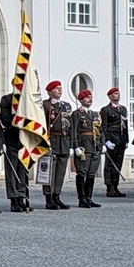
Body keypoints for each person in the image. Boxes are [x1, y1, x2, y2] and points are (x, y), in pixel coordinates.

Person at [41, 80, 73, 209]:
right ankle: (49, 198)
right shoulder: (45, 105)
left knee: (60, 171)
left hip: (64, 141)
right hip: (51, 140)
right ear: (50, 91)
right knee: (49, 171)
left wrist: (71, 144)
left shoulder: (66, 106)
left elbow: (71, 126)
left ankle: (57, 195)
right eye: (56, 88)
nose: (60, 90)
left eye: (60, 88)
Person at [69, 90, 102, 207]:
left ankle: (89, 197)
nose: (90, 99)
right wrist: (75, 146)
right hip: (83, 146)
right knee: (82, 172)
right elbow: (74, 131)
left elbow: (99, 131)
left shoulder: (94, 114)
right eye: (87, 97)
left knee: (91, 173)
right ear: (81, 100)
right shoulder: (77, 114)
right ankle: (81, 198)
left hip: (95, 147)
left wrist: (101, 144)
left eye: (91, 97)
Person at [100, 87, 130, 198]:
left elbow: (125, 126)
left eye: (118, 93)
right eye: (115, 94)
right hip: (111, 138)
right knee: (110, 164)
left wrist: (126, 140)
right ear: (110, 96)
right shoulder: (106, 110)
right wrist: (106, 141)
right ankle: (109, 187)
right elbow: (104, 127)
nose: (117, 95)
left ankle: (116, 185)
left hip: (121, 139)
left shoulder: (123, 109)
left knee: (118, 163)